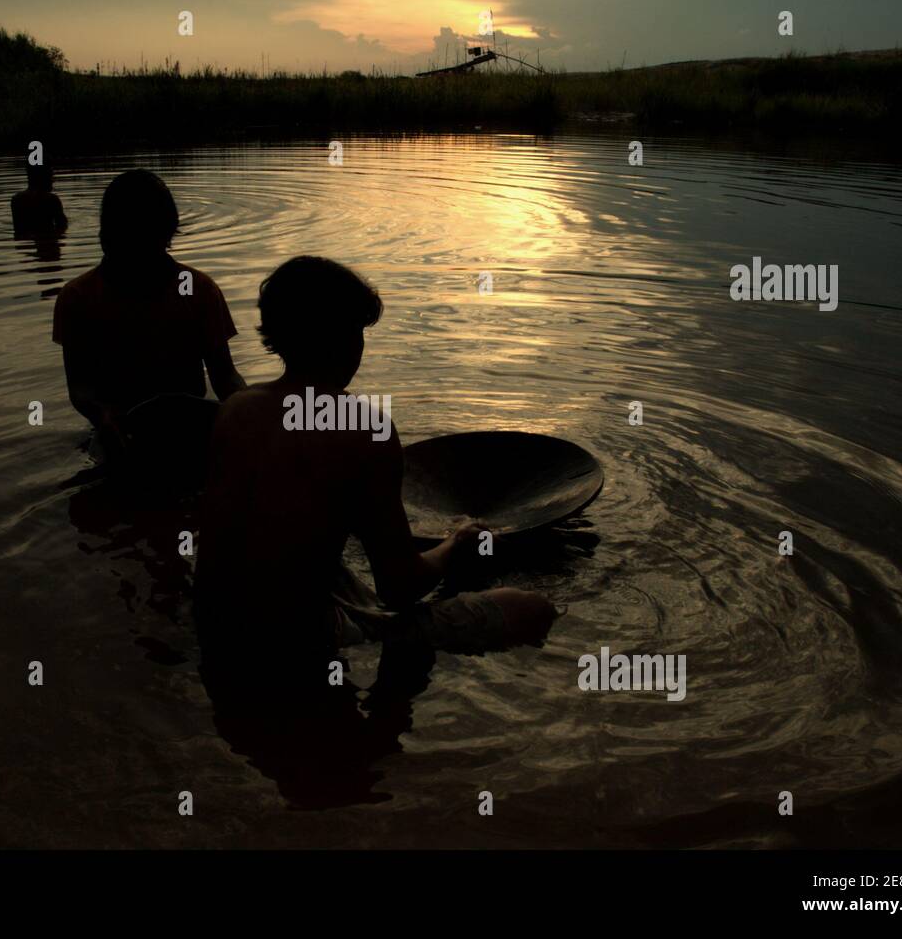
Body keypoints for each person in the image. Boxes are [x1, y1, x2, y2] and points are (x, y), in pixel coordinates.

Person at [194, 256, 555, 699]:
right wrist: (455, 545)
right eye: (359, 332)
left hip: (221, 625)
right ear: (345, 338)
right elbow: (400, 586)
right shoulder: (363, 428)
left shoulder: (236, 411)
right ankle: (395, 695)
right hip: (301, 640)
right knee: (532, 608)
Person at [51, 170, 245, 461]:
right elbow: (80, 388)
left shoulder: (198, 290)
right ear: (109, 237)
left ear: (166, 235)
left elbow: (225, 376)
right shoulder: (79, 297)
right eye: (130, 242)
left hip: (189, 428)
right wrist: (102, 416)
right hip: (117, 432)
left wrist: (249, 411)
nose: (139, 259)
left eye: (147, 243)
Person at [11, 162, 68, 236]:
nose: (53, 180)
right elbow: (62, 226)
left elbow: (18, 230)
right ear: (43, 177)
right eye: (50, 175)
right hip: (48, 240)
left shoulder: (16, 199)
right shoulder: (51, 200)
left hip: (24, 244)